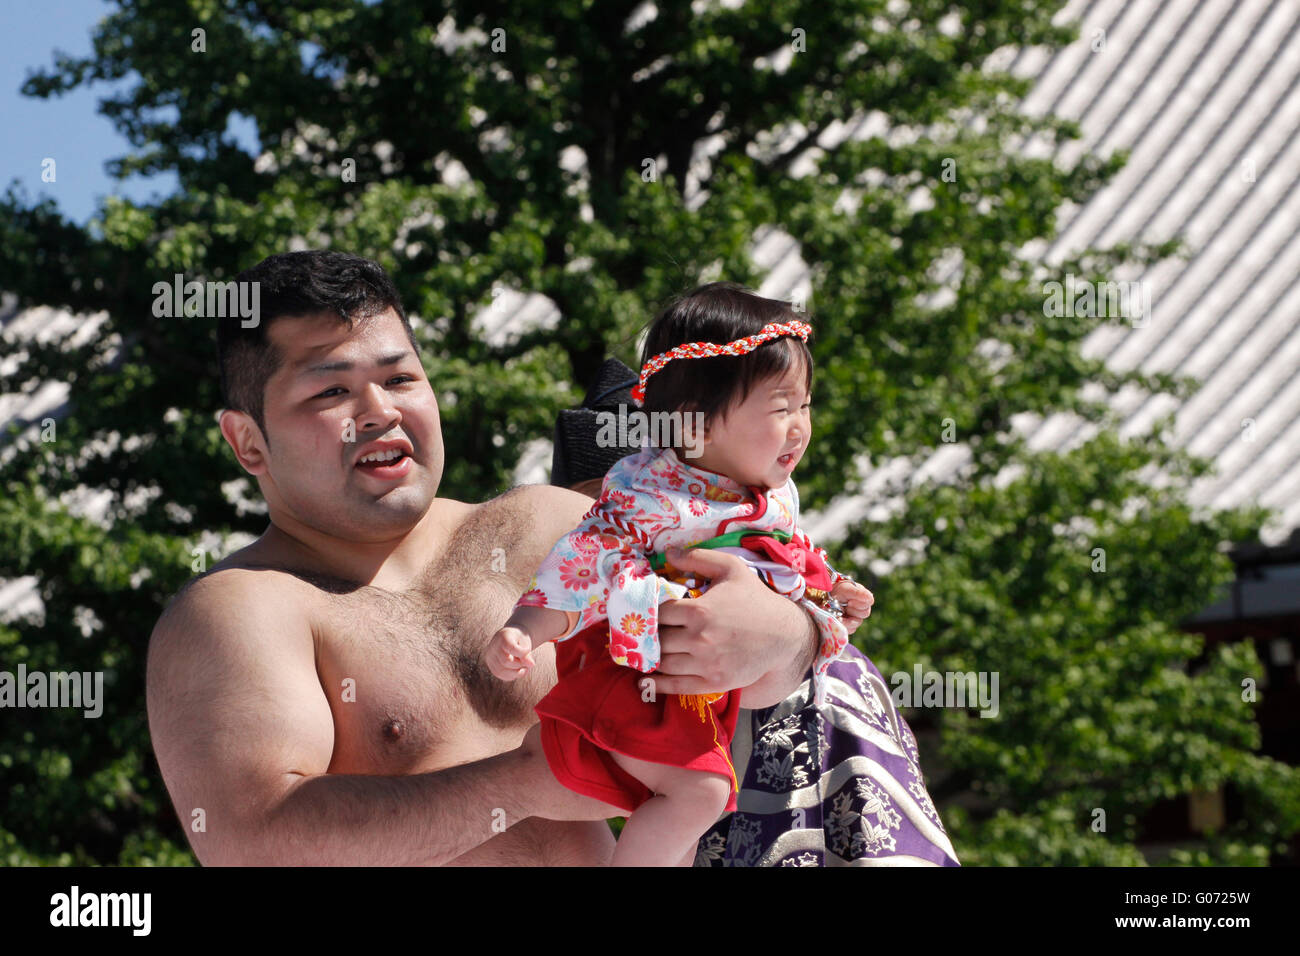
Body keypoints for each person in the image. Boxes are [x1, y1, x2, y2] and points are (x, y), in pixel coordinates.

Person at [145, 251, 827, 866]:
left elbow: (778, 676)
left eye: (400, 378)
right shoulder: (239, 608)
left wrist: (790, 636)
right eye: (331, 391)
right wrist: (528, 780)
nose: (378, 411)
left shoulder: (550, 524)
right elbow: (257, 845)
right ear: (248, 443)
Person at [484, 284, 875, 865]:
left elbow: (784, 557)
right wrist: (527, 627)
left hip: (703, 693)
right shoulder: (651, 502)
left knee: (696, 811)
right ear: (696, 425)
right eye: (780, 407)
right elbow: (582, 561)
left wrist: (827, 590)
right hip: (636, 680)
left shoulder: (765, 495)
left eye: (805, 405)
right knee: (700, 794)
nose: (799, 426)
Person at [542, 340, 961, 868]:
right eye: (599, 522)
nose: (625, 547)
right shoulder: (559, 606)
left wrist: (798, 630)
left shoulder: (817, 660)